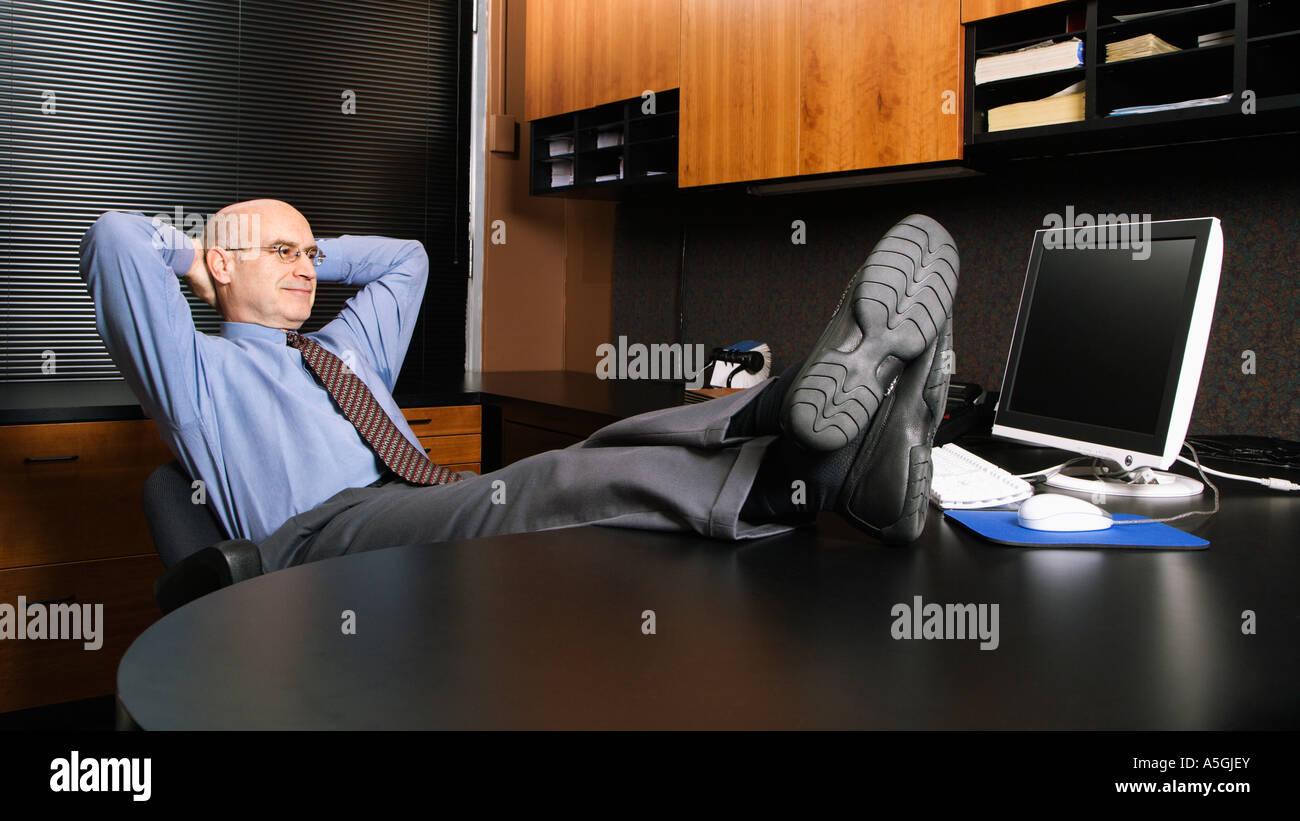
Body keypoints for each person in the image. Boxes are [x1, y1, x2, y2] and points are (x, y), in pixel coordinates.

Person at [79, 201, 958, 571]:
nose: (308, 268)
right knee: (543, 481)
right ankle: (814, 476)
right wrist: (202, 256)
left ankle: (799, 417)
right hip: (317, 545)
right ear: (221, 260)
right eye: (285, 255)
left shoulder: (345, 348)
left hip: (418, 507)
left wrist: (305, 244)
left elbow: (406, 261)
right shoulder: (197, 374)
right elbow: (113, 238)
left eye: (312, 256)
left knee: (597, 447)